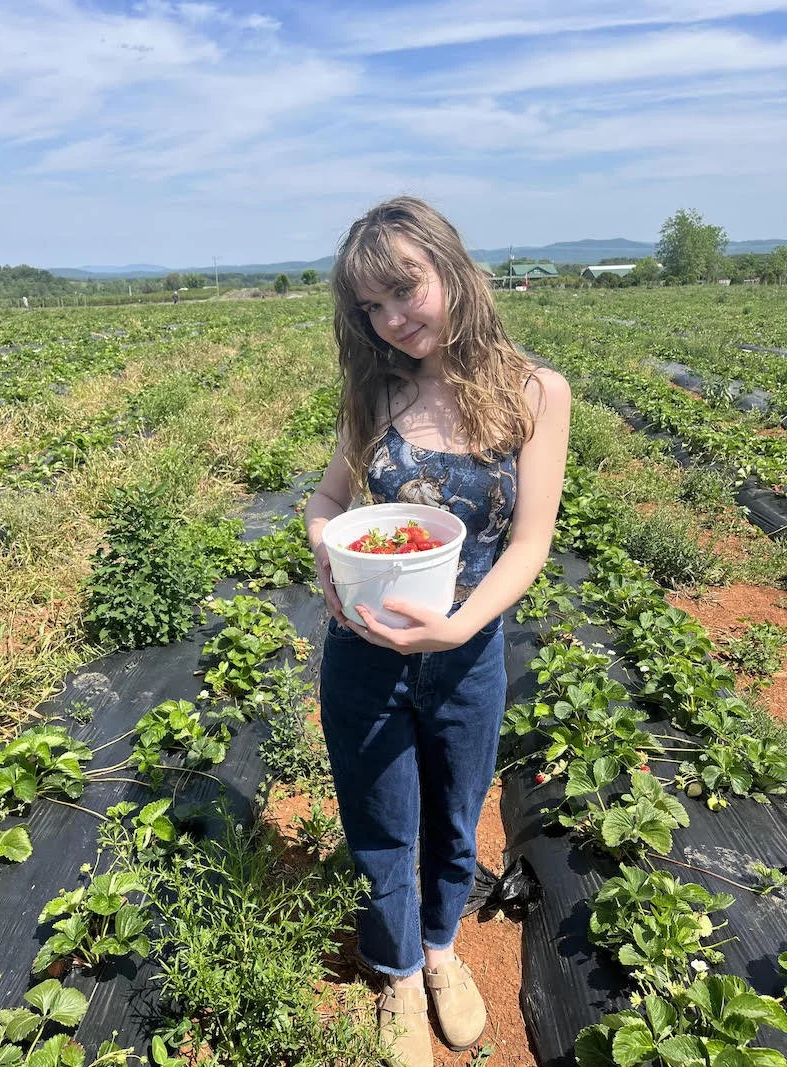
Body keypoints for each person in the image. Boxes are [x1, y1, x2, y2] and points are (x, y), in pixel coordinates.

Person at [303, 196, 570, 1067]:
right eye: (371, 307)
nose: (390, 319)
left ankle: (444, 951)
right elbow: (329, 501)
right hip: (364, 655)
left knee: (456, 818)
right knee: (380, 820)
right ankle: (397, 971)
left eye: (403, 289)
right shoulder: (376, 391)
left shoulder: (535, 393)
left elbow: (529, 544)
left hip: (467, 656)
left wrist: (457, 625)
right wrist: (326, 558)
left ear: (451, 268)